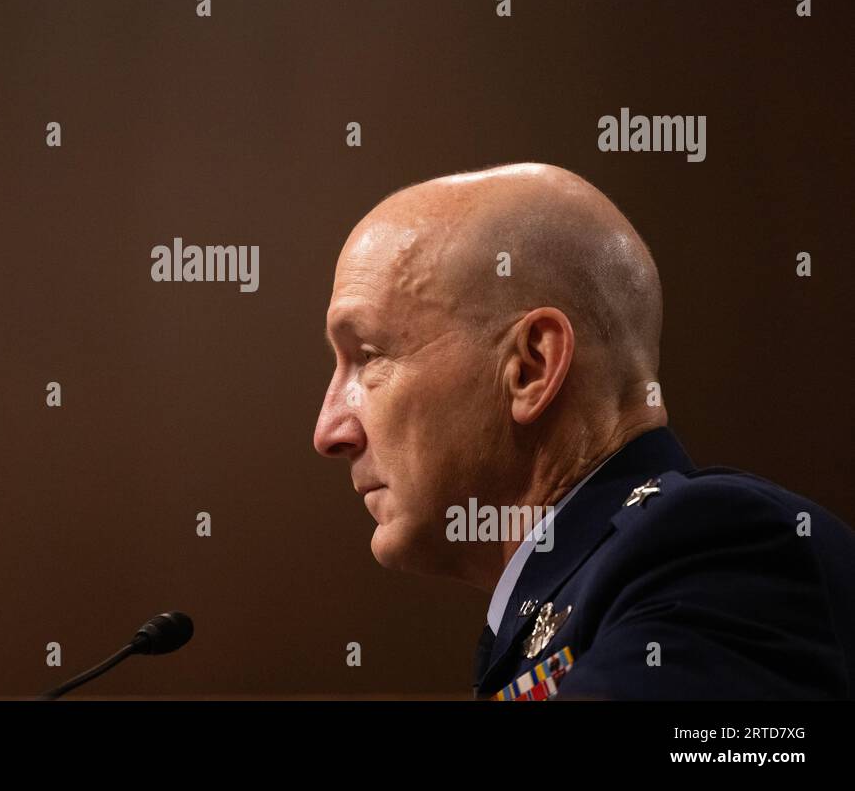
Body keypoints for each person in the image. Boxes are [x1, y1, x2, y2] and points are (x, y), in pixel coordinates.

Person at [312, 162, 855, 699]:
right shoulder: (577, 591)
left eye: (368, 356)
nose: (329, 430)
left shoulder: (714, 546)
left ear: (530, 368)